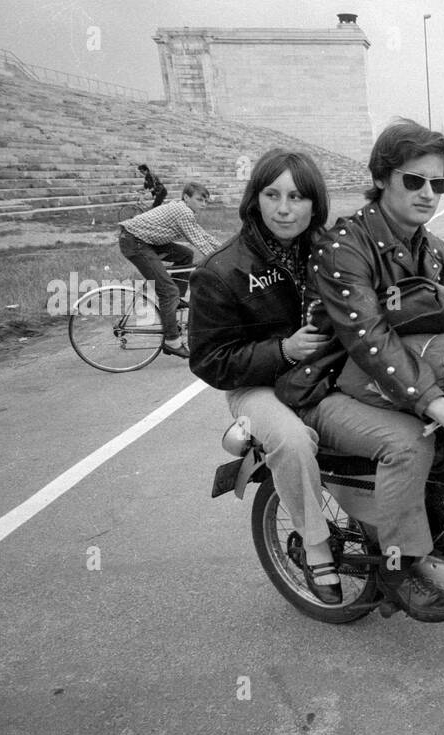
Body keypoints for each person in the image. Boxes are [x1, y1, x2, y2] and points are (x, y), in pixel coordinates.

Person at [279, 118, 444, 623]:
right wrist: (443, 409)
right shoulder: (343, 244)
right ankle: (398, 565)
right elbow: (370, 340)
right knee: (412, 441)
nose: (428, 193)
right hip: (330, 388)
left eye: (439, 183)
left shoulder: (433, 250)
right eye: (415, 180)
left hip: (396, 386)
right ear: (384, 176)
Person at [188, 149, 344, 603]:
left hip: (324, 375)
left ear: (315, 203)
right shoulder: (221, 270)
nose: (283, 208)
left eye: (296, 196)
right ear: (254, 199)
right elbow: (209, 359)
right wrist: (282, 350)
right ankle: (315, 550)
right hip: (254, 387)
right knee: (293, 442)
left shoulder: (331, 252)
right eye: (271, 194)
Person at [119, 181, 218, 358]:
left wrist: (224, 249)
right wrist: (220, 260)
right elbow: (200, 241)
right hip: (135, 243)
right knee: (168, 292)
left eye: (205, 201)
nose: (203, 205)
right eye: (199, 200)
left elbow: (202, 234)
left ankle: (175, 300)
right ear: (186, 197)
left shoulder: (184, 210)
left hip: (143, 240)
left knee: (185, 255)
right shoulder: (183, 212)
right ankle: (172, 341)